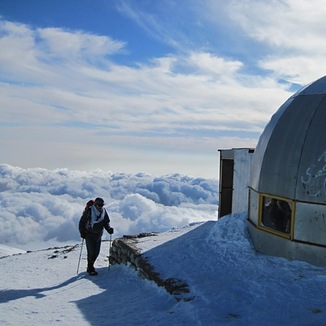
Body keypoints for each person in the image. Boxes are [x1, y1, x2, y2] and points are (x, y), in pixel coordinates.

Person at [79, 197, 114, 276]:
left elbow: (106, 222)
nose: (100, 206)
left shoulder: (103, 212)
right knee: (91, 252)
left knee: (96, 253)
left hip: (98, 235)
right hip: (89, 234)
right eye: (99, 205)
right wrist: (82, 233)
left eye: (102, 205)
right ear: (95, 204)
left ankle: (90, 266)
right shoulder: (89, 211)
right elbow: (81, 222)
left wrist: (109, 229)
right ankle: (90, 268)